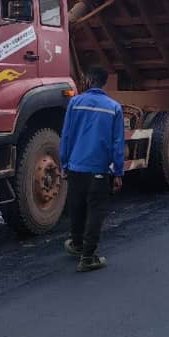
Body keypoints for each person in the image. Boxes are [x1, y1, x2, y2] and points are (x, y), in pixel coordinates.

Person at [59, 65, 125, 273]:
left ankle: (77, 244)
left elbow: (66, 135)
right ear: (105, 83)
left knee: (76, 206)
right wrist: (118, 172)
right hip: (99, 168)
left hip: (76, 165)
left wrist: (64, 164)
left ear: (88, 81)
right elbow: (117, 144)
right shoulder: (114, 108)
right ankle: (88, 257)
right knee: (95, 210)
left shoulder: (75, 103)